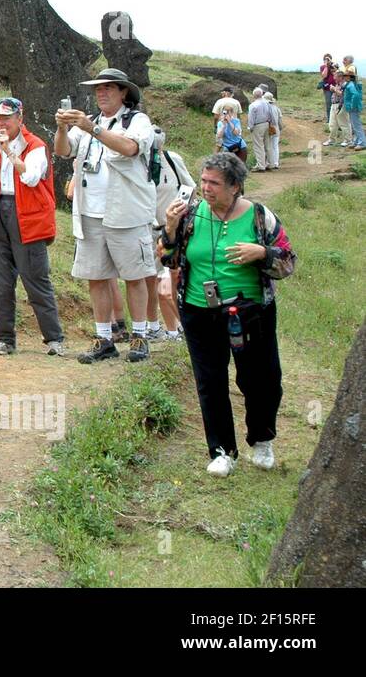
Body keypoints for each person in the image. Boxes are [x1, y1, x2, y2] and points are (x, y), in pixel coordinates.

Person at [161, 152, 296, 477]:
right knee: (210, 381)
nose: (206, 188)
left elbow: (288, 261)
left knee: (261, 380)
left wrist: (262, 253)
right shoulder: (190, 215)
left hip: (249, 313)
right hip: (197, 311)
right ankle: (222, 451)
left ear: (235, 187)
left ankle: (262, 439)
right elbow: (168, 258)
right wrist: (169, 228)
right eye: (203, 181)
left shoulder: (260, 217)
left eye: (214, 183)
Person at [55, 68, 159, 364]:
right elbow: (62, 151)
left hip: (126, 213)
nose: (101, 93)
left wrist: (92, 129)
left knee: (135, 275)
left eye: (108, 88)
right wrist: (62, 128)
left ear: (123, 92)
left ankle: (139, 336)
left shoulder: (137, 121)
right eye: (97, 88)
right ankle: (104, 338)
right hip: (89, 212)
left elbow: (129, 148)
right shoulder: (90, 121)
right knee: (96, 277)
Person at [0, 96, 65, 356]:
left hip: (28, 219)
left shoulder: (36, 146)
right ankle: (5, 340)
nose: (1, 123)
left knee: (35, 279)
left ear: (20, 119)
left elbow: (31, 177)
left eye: (6, 118)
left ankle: (54, 339)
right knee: (0, 281)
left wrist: (8, 149)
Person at [146, 126, 193, 342]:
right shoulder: (135, 163)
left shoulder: (172, 159)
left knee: (168, 286)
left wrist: (178, 217)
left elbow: (189, 188)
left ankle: (184, 329)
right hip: (146, 230)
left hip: (171, 232)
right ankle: (158, 327)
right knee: (149, 281)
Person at [246, 87, 274, 171]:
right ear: (262, 94)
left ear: (253, 95)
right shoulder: (267, 103)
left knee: (258, 146)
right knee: (268, 145)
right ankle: (271, 164)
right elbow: (271, 114)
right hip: (267, 124)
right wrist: (270, 124)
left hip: (257, 125)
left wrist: (250, 127)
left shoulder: (253, 105)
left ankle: (261, 165)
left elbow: (251, 118)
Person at [325, 69, 351, 147]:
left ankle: (348, 140)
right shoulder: (337, 84)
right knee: (332, 123)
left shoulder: (345, 84)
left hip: (341, 105)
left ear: (340, 77)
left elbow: (343, 95)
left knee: (344, 123)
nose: (334, 78)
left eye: (335, 76)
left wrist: (334, 89)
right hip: (334, 105)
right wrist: (334, 89)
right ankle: (331, 140)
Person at [345, 65, 366, 150]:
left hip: (353, 108)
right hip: (354, 107)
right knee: (354, 125)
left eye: (346, 76)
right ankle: (356, 141)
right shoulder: (353, 84)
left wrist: (352, 105)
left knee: (356, 125)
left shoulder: (351, 85)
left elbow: (356, 95)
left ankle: (362, 143)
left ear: (350, 77)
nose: (344, 77)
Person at [263, 92, 282, 169]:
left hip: (268, 129)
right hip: (276, 129)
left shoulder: (265, 108)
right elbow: (280, 121)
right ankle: (276, 162)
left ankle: (268, 162)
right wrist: (280, 128)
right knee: (275, 146)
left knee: (268, 146)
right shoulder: (276, 108)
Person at [319, 54, 336, 125]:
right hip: (327, 88)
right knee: (329, 104)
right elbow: (324, 75)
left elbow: (337, 72)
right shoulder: (322, 67)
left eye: (328, 59)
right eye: (325, 59)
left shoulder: (334, 65)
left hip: (336, 87)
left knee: (336, 104)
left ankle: (336, 121)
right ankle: (329, 120)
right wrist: (326, 66)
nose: (327, 60)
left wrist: (332, 65)